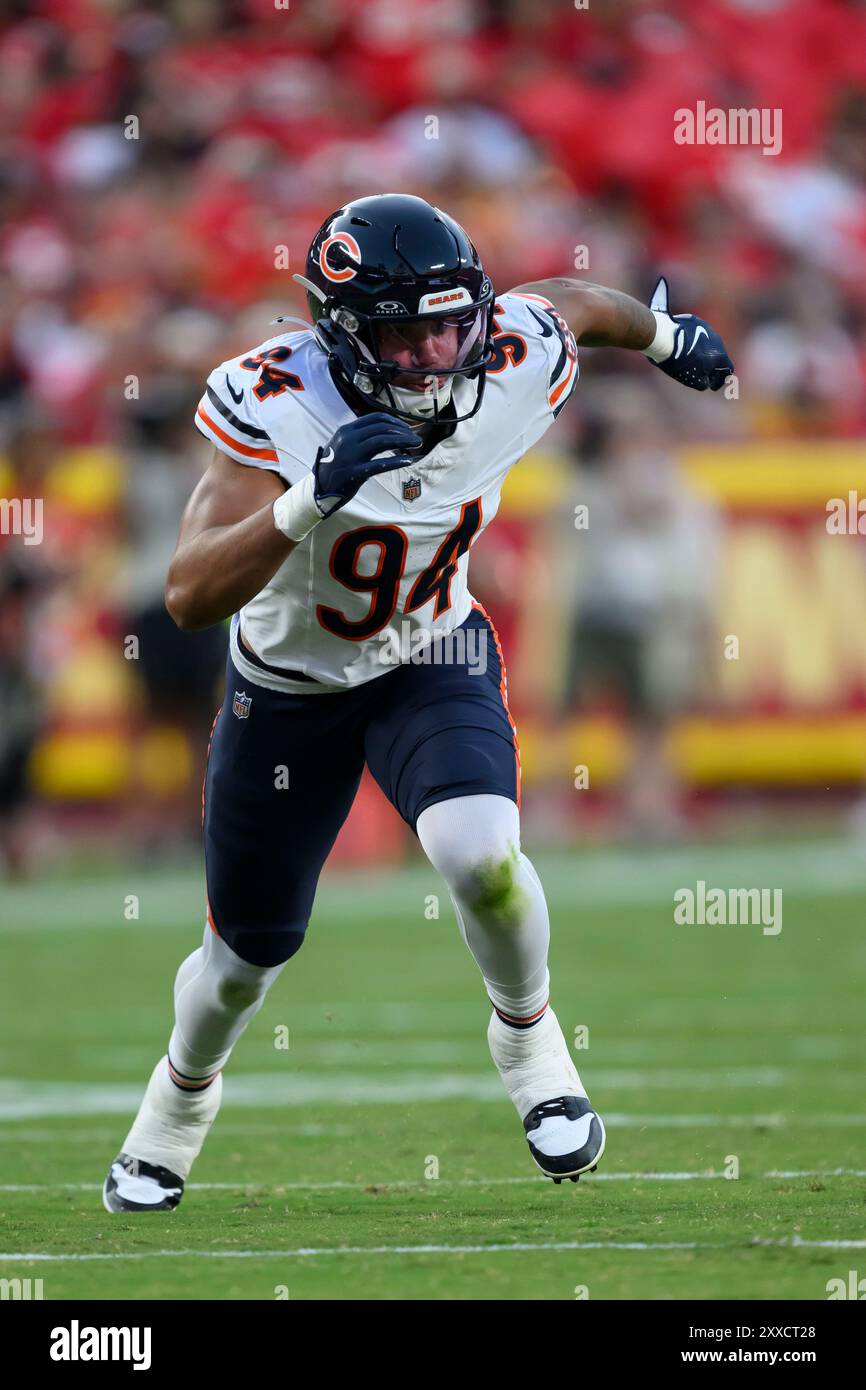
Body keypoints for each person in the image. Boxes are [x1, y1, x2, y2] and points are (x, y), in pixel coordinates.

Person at [102, 193, 733, 1210]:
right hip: (288, 688)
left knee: (481, 859)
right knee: (239, 961)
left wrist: (663, 335)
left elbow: (571, 305)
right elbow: (186, 593)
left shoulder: (505, 359)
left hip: (431, 646)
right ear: (342, 335)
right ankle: (174, 1107)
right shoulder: (274, 398)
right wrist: (305, 497)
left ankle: (529, 1045)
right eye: (405, 334)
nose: (436, 352)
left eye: (450, 323)